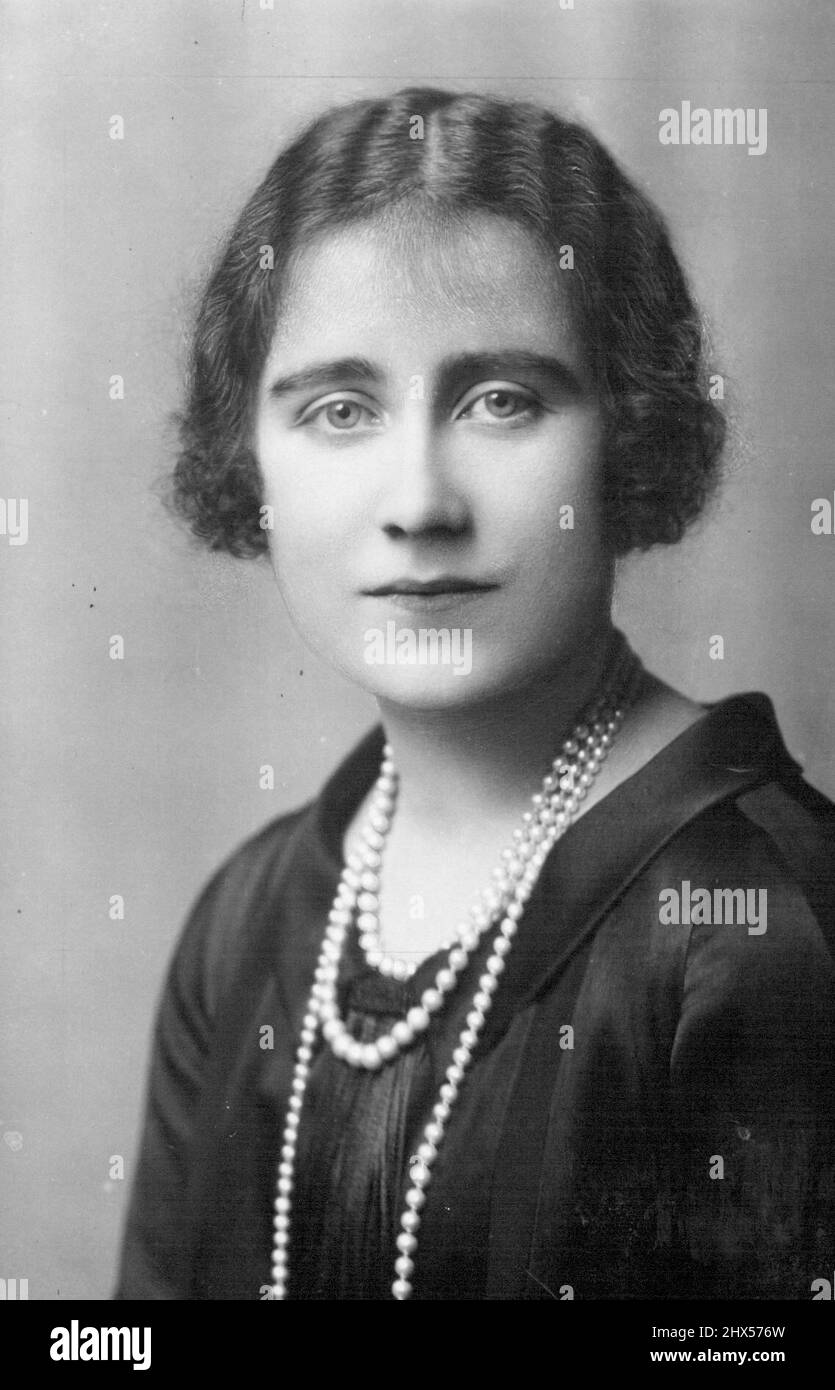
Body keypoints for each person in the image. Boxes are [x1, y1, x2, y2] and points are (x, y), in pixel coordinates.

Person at [115, 87, 835, 1301]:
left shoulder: (755, 929)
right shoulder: (248, 921)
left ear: (630, 430)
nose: (420, 501)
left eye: (500, 399)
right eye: (339, 409)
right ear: (253, 461)